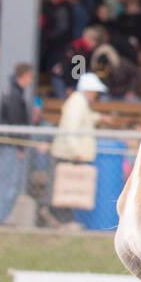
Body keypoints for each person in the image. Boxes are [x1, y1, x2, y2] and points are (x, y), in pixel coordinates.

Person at [45, 72, 110, 227]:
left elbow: (84, 119)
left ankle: (64, 220)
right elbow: (70, 129)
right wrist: (77, 152)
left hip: (71, 154)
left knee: (68, 189)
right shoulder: (77, 103)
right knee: (65, 189)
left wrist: (99, 118)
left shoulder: (80, 103)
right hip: (69, 155)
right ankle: (62, 220)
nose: (96, 95)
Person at [0, 63, 37, 227]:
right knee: (10, 183)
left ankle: (0, 216)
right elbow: (16, 122)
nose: (31, 80)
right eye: (30, 76)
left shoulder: (13, 92)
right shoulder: (14, 94)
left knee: (9, 182)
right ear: (23, 76)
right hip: (12, 145)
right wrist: (19, 146)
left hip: (11, 144)